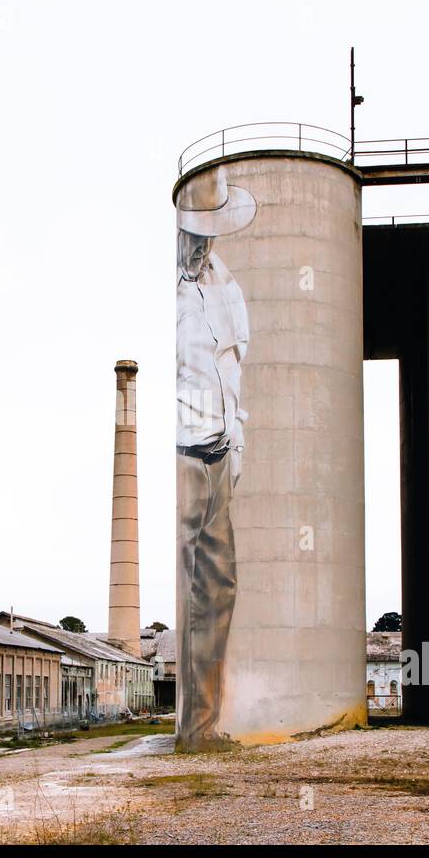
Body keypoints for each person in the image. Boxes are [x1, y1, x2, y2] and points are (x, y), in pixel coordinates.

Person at [174, 165, 256, 751]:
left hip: (218, 455)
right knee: (186, 590)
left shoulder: (224, 287)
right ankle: (185, 729)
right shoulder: (166, 291)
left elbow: (234, 372)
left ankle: (202, 728)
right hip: (181, 456)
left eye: (211, 231)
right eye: (194, 231)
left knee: (218, 587)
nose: (203, 243)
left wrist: (238, 443)